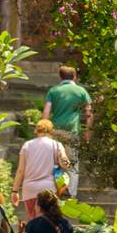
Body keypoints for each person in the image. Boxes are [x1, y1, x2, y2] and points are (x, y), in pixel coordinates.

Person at [42, 65, 92, 197]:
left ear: (60, 77)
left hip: (55, 133)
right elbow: (88, 112)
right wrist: (88, 131)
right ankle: (71, 195)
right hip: (71, 133)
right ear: (74, 77)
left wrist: (43, 132)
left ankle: (54, 193)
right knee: (71, 165)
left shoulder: (54, 91)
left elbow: (46, 112)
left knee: (54, 164)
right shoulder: (81, 91)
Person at [11, 118, 70, 219]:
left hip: (29, 190)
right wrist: (65, 160)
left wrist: (14, 191)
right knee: (49, 222)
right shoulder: (56, 145)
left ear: (36, 131)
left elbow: (20, 171)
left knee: (34, 222)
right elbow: (65, 164)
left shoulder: (27, 145)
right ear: (51, 131)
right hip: (49, 190)